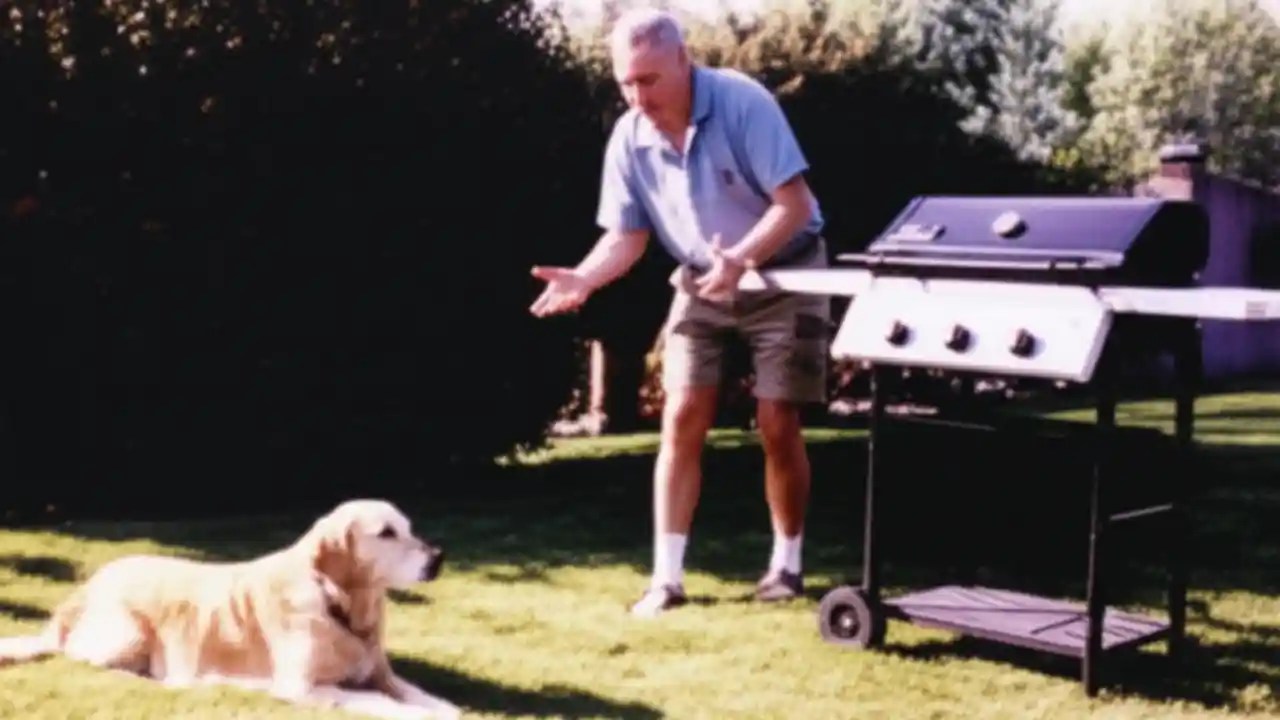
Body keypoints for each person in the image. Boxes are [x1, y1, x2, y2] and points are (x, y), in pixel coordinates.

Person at [529, 7, 830, 617]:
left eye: (649, 80)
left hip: (788, 271)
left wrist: (742, 261)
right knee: (682, 415)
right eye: (625, 83)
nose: (638, 96)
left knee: (776, 420)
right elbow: (628, 235)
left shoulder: (744, 103)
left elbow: (794, 205)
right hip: (700, 280)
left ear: (683, 62)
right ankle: (666, 580)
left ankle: (786, 567)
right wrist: (586, 277)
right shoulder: (629, 138)